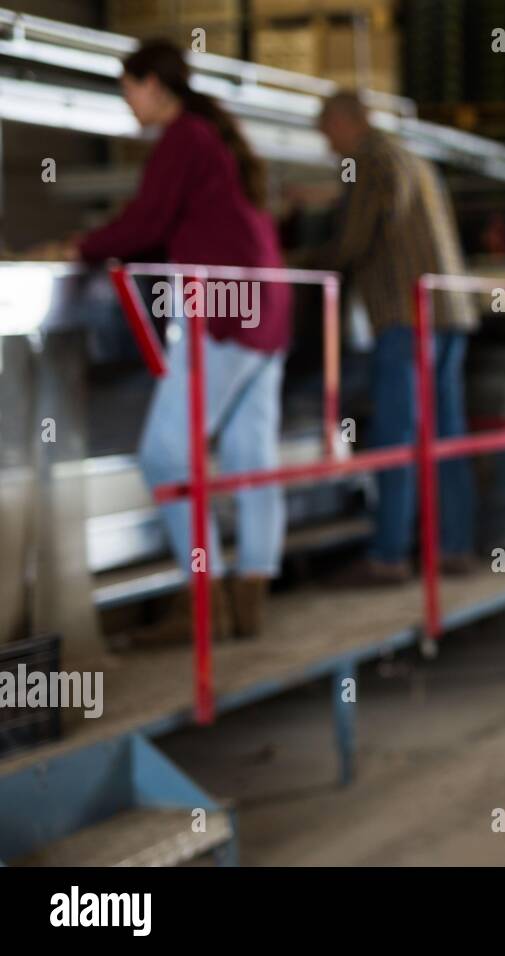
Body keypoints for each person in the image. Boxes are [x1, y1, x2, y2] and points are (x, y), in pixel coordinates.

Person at [73, 39, 292, 642]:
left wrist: (78, 247)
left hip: (224, 310)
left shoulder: (183, 139)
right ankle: (249, 597)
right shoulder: (212, 137)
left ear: (152, 85)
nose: (128, 104)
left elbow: (147, 222)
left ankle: (204, 599)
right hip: (266, 309)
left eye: (128, 90)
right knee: (250, 460)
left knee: (166, 455)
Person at [302, 92, 479, 585]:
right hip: (447, 310)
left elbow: (355, 239)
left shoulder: (368, 159)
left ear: (344, 122)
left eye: (326, 132)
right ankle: (454, 546)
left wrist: (298, 266)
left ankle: (388, 554)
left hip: (406, 314)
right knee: (445, 434)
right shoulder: (409, 155)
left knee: (397, 435)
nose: (327, 145)